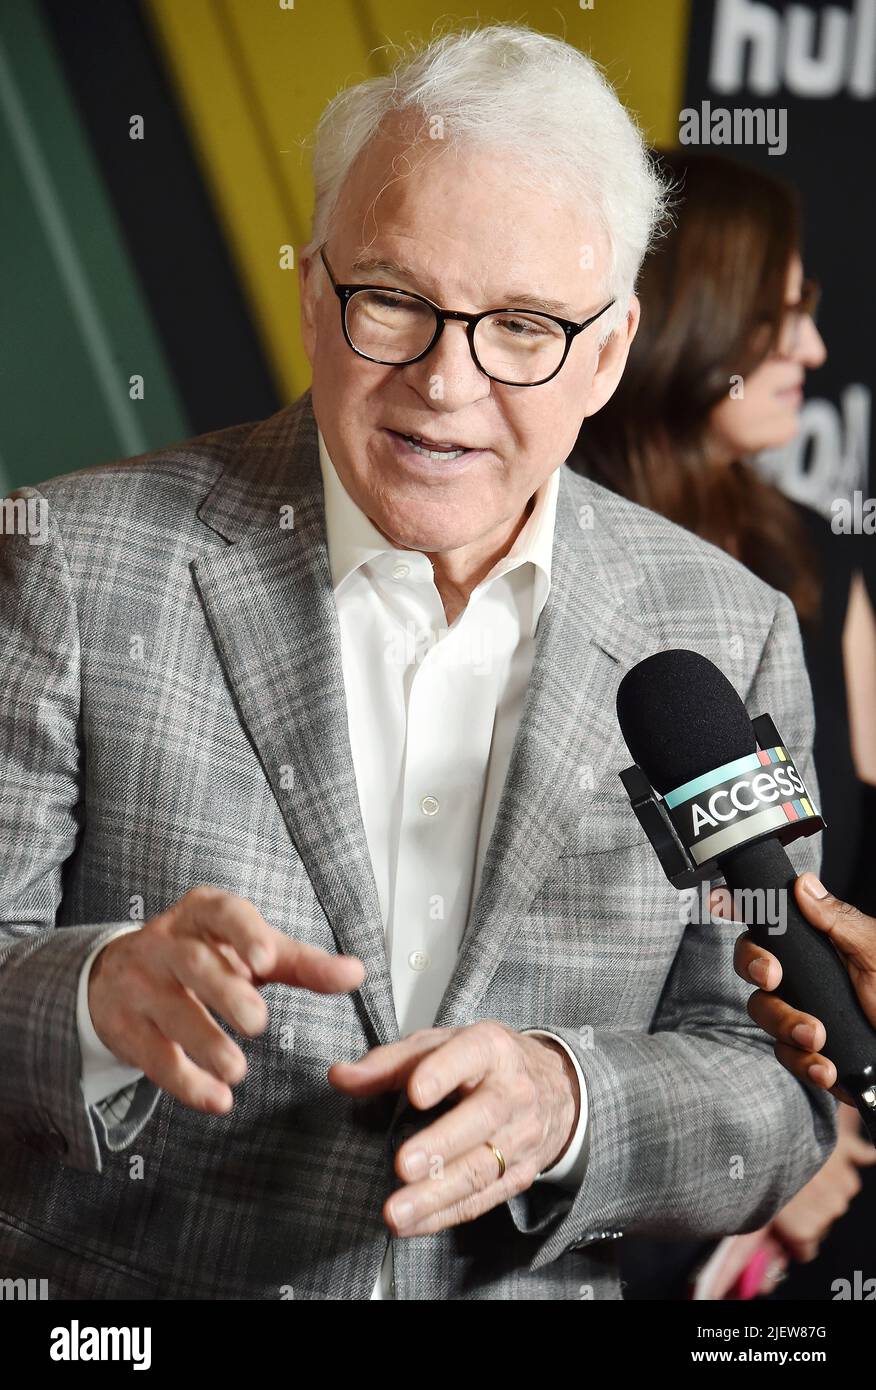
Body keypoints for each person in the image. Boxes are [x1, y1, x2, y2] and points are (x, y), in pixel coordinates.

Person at [0, 26, 835, 1301]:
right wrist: (94, 993)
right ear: (311, 288)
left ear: (609, 350)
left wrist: (570, 1102)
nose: (445, 383)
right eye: (391, 299)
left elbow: (778, 1080)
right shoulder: (69, 557)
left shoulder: (726, 627)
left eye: (522, 327)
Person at [569, 149, 874, 1296]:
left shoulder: (822, 573)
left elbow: (852, 898)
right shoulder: (535, 557)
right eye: (779, 314)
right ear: (684, 320)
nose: (815, 351)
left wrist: (822, 1114)